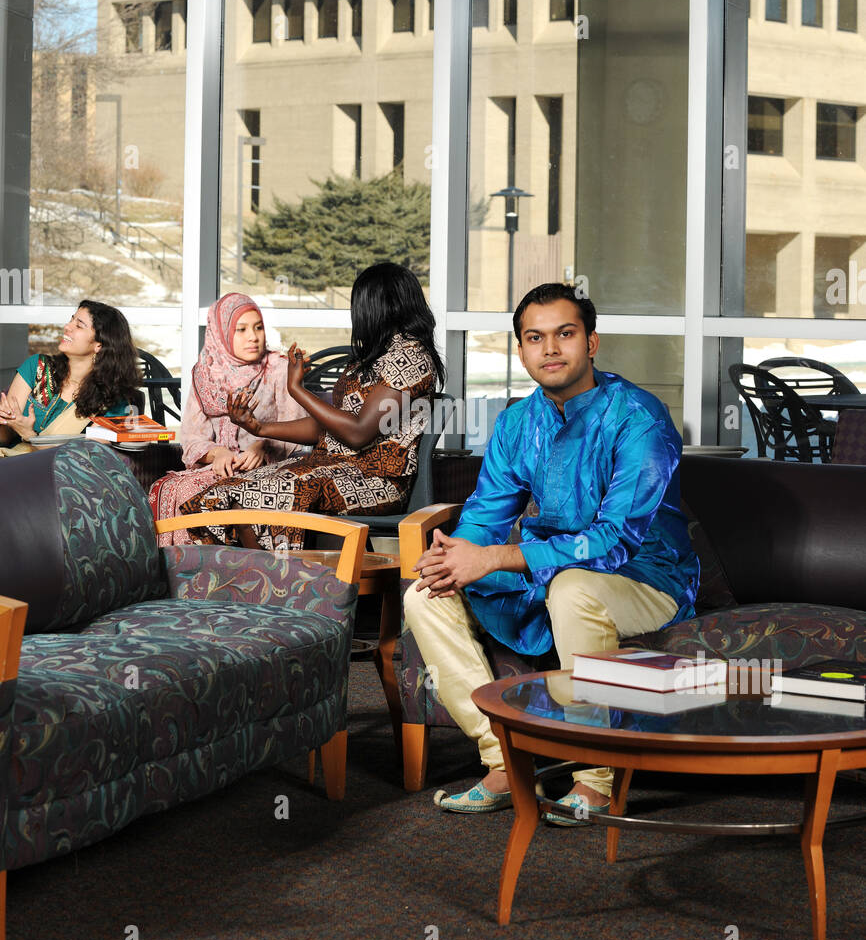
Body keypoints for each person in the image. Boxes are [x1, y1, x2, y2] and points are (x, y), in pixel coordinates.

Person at [404, 282, 699, 822]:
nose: (550, 349)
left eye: (565, 334)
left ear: (592, 343)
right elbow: (488, 512)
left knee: (572, 588)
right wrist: (455, 556)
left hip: (645, 578)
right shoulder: (520, 421)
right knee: (425, 596)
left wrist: (492, 559)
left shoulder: (639, 419)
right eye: (534, 338)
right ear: (520, 351)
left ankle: (595, 777)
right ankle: (503, 760)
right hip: (546, 573)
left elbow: (615, 542)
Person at [179, 262, 444, 550]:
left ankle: (280, 585)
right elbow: (327, 428)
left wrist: (297, 390)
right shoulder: (371, 356)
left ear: (380, 307)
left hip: (376, 479)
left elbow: (357, 433)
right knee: (226, 493)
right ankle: (252, 582)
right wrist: (258, 426)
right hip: (332, 465)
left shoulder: (411, 358)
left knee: (265, 496)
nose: (357, 315)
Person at [149, 293, 307, 545]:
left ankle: (214, 568)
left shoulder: (278, 368)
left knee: (191, 491)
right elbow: (191, 437)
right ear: (221, 333)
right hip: (218, 466)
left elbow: (298, 429)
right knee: (165, 488)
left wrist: (262, 446)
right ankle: (178, 572)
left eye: (258, 327)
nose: (253, 337)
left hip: (264, 468)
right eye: (241, 329)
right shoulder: (205, 373)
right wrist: (218, 453)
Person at [0, 300, 143, 457]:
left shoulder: (111, 401)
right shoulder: (36, 367)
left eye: (79, 325)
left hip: (57, 476)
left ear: (99, 345)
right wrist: (5, 423)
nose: (67, 327)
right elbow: (4, 438)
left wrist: (30, 435)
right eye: (71, 320)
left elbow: (79, 461)